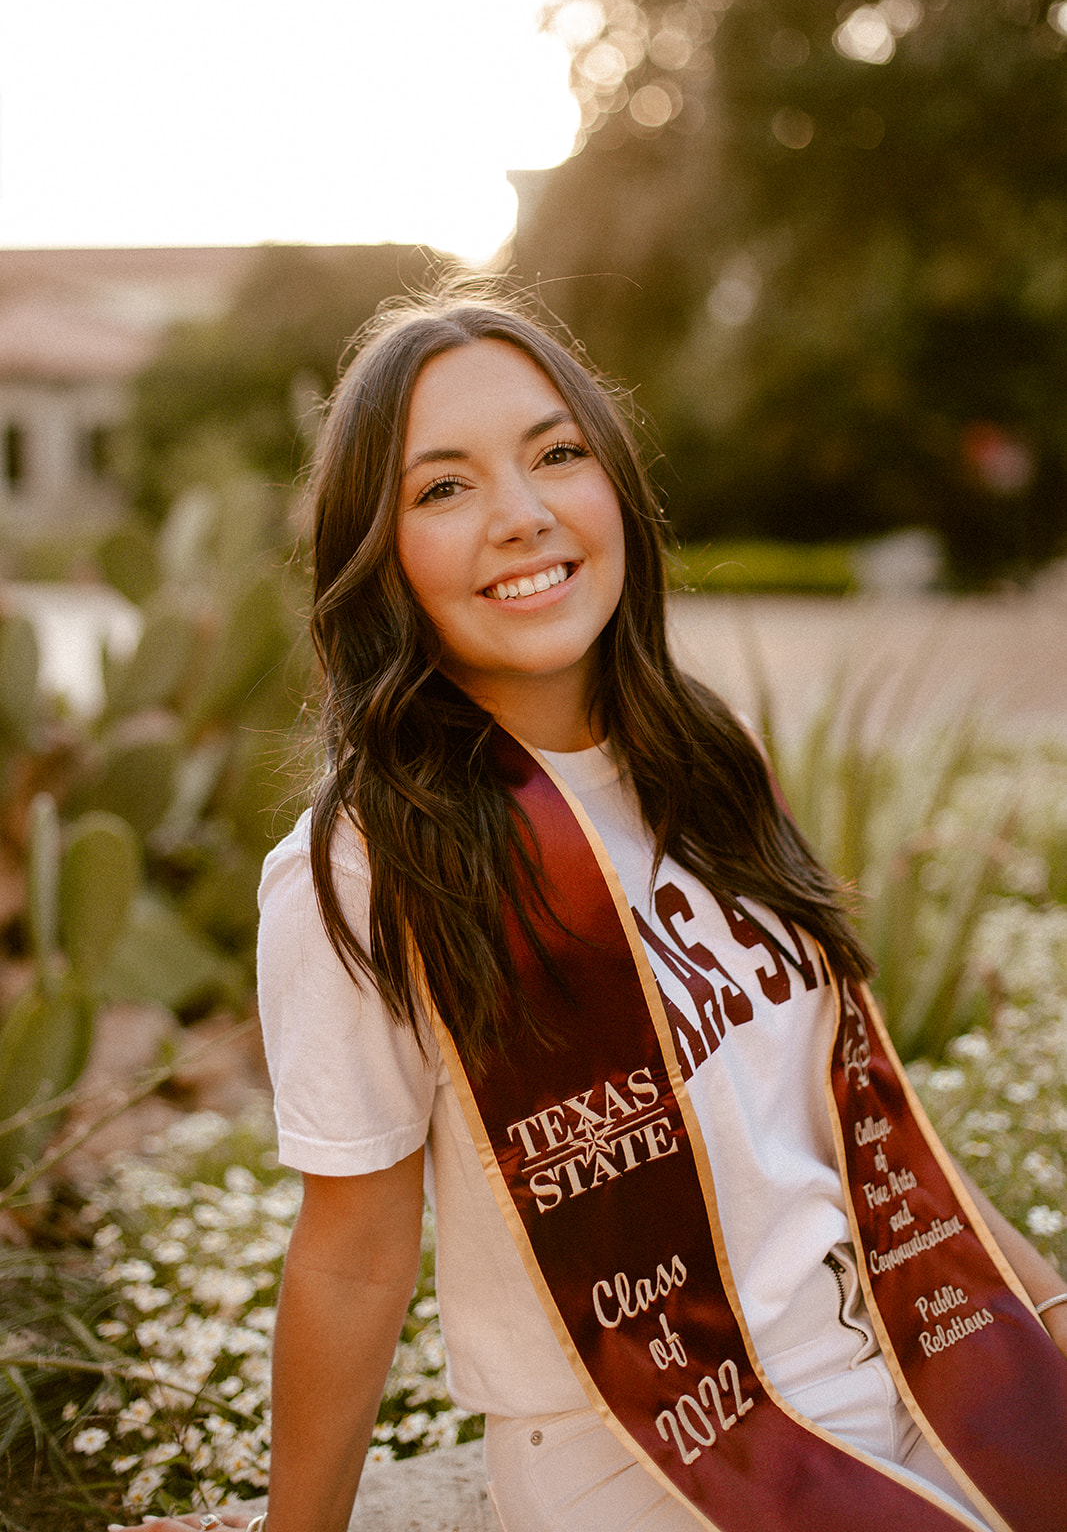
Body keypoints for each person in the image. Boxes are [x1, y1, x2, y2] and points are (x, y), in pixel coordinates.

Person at [116, 286, 1067, 1532]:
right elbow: (351, 1252)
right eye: (442, 488)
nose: (521, 516)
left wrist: (1040, 1319)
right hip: (651, 1457)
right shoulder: (366, 862)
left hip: (902, 1371)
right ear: (378, 551)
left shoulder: (699, 757)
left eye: (556, 454)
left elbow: (859, 1111)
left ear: (613, 485)